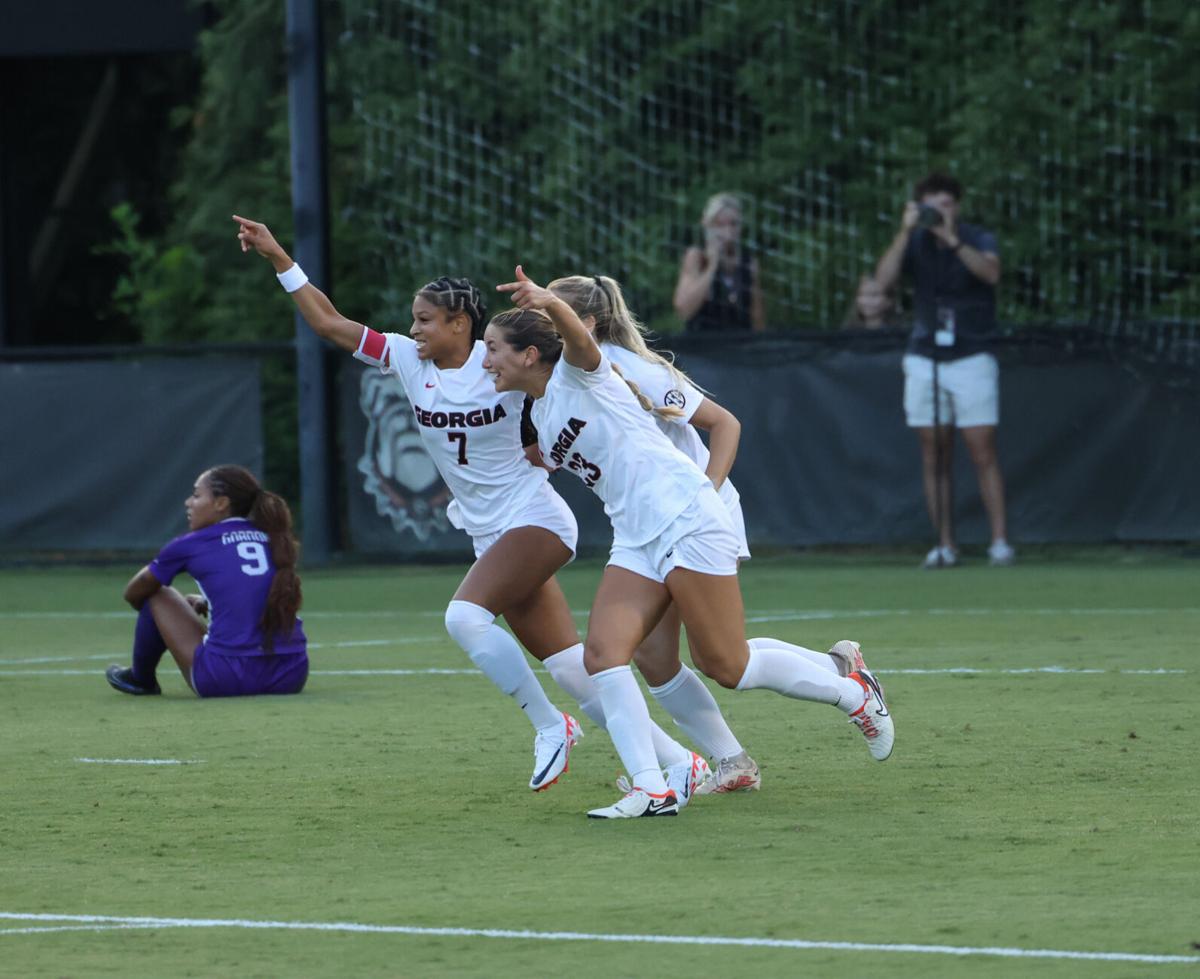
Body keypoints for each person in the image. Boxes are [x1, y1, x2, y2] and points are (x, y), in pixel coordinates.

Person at [232, 215, 721, 805]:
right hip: (487, 533)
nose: (413, 330)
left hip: (535, 520)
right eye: (413, 320)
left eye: (425, 320)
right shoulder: (409, 362)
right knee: (574, 669)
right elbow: (330, 323)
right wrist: (280, 257)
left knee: (463, 619)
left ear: (460, 324)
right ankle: (682, 763)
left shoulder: (503, 363)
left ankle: (550, 726)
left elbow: (564, 377)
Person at [488, 267, 895, 819]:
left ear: (546, 342)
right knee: (609, 655)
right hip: (636, 533)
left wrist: (546, 303)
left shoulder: (587, 369)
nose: (485, 359)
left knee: (727, 665)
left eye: (493, 348)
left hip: (685, 514)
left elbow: (705, 415)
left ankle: (853, 694)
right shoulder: (539, 408)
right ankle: (653, 787)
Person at [548, 273, 764, 794]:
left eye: (552, 312)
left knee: (721, 660)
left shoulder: (623, 365)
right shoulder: (562, 379)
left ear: (588, 324)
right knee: (652, 656)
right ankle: (727, 762)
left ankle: (842, 680)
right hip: (651, 523)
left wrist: (708, 493)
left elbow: (726, 423)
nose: (543, 323)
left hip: (692, 511)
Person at [874, 172, 1015, 568]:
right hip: (925, 355)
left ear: (957, 206)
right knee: (934, 451)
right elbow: (882, 282)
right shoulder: (914, 242)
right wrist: (904, 233)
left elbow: (991, 274)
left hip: (972, 354)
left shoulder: (976, 238)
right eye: (932, 207)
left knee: (981, 448)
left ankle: (999, 542)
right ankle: (945, 544)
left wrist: (951, 238)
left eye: (947, 205)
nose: (940, 213)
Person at [105, 465, 309, 698]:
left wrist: (164, 616)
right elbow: (252, 586)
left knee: (156, 593)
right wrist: (209, 602)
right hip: (291, 675)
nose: (188, 502)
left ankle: (140, 678)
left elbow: (134, 592)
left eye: (196, 495)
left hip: (227, 678)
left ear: (221, 503)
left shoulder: (191, 544)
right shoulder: (274, 537)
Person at [673, 192, 765, 333]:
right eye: (719, 225)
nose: (727, 232)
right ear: (707, 225)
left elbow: (757, 319)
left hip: (740, 345)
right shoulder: (697, 257)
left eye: (733, 224)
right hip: (702, 346)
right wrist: (712, 265)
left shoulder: (749, 263)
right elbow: (684, 310)